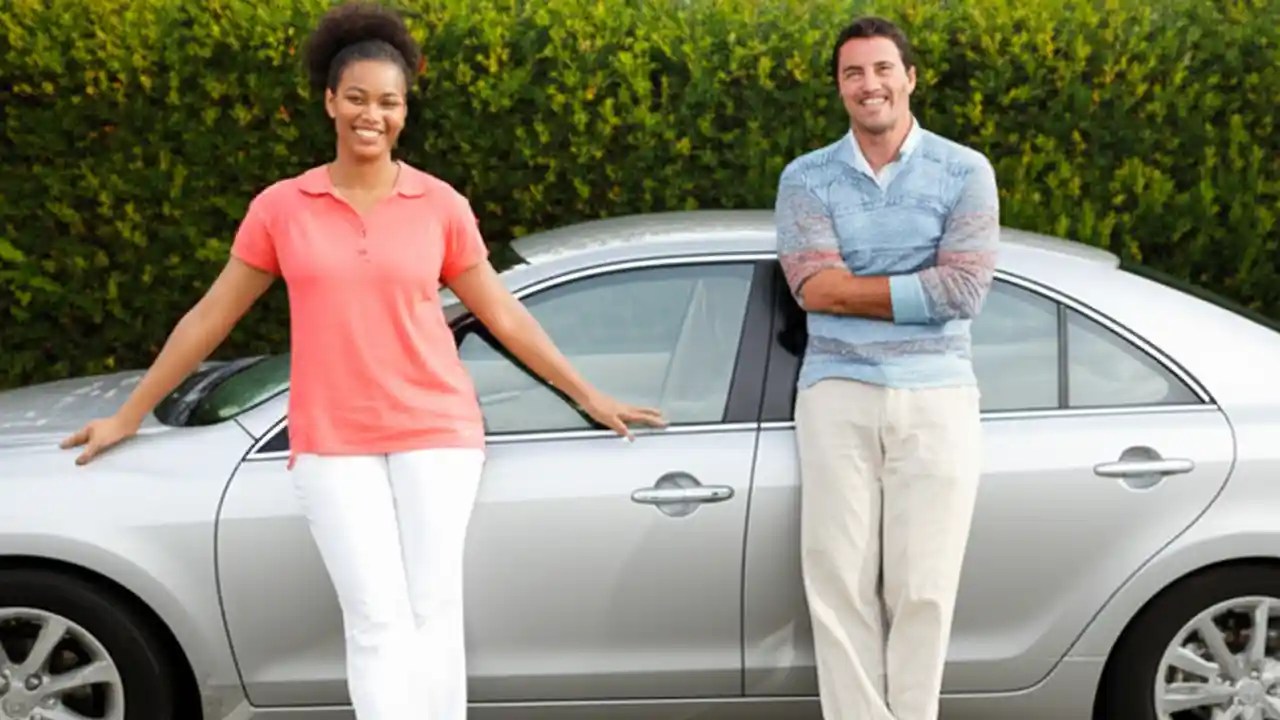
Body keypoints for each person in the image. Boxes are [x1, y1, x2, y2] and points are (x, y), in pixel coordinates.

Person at [60, 2, 666, 718]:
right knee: (375, 618)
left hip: (436, 433)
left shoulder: (439, 204)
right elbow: (210, 318)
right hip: (331, 439)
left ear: (405, 112)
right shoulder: (283, 208)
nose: (370, 114)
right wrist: (128, 416)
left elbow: (502, 313)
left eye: (388, 102)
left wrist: (587, 394)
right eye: (356, 98)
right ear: (329, 101)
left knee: (432, 610)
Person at [774, 16, 1000, 720]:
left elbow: (963, 291)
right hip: (836, 392)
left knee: (924, 587)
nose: (868, 84)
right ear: (839, 88)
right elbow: (813, 290)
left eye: (881, 69)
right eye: (853, 73)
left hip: (938, 398)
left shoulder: (965, 171)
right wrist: (915, 287)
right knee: (839, 583)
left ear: (909, 77)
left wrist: (853, 288)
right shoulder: (806, 177)